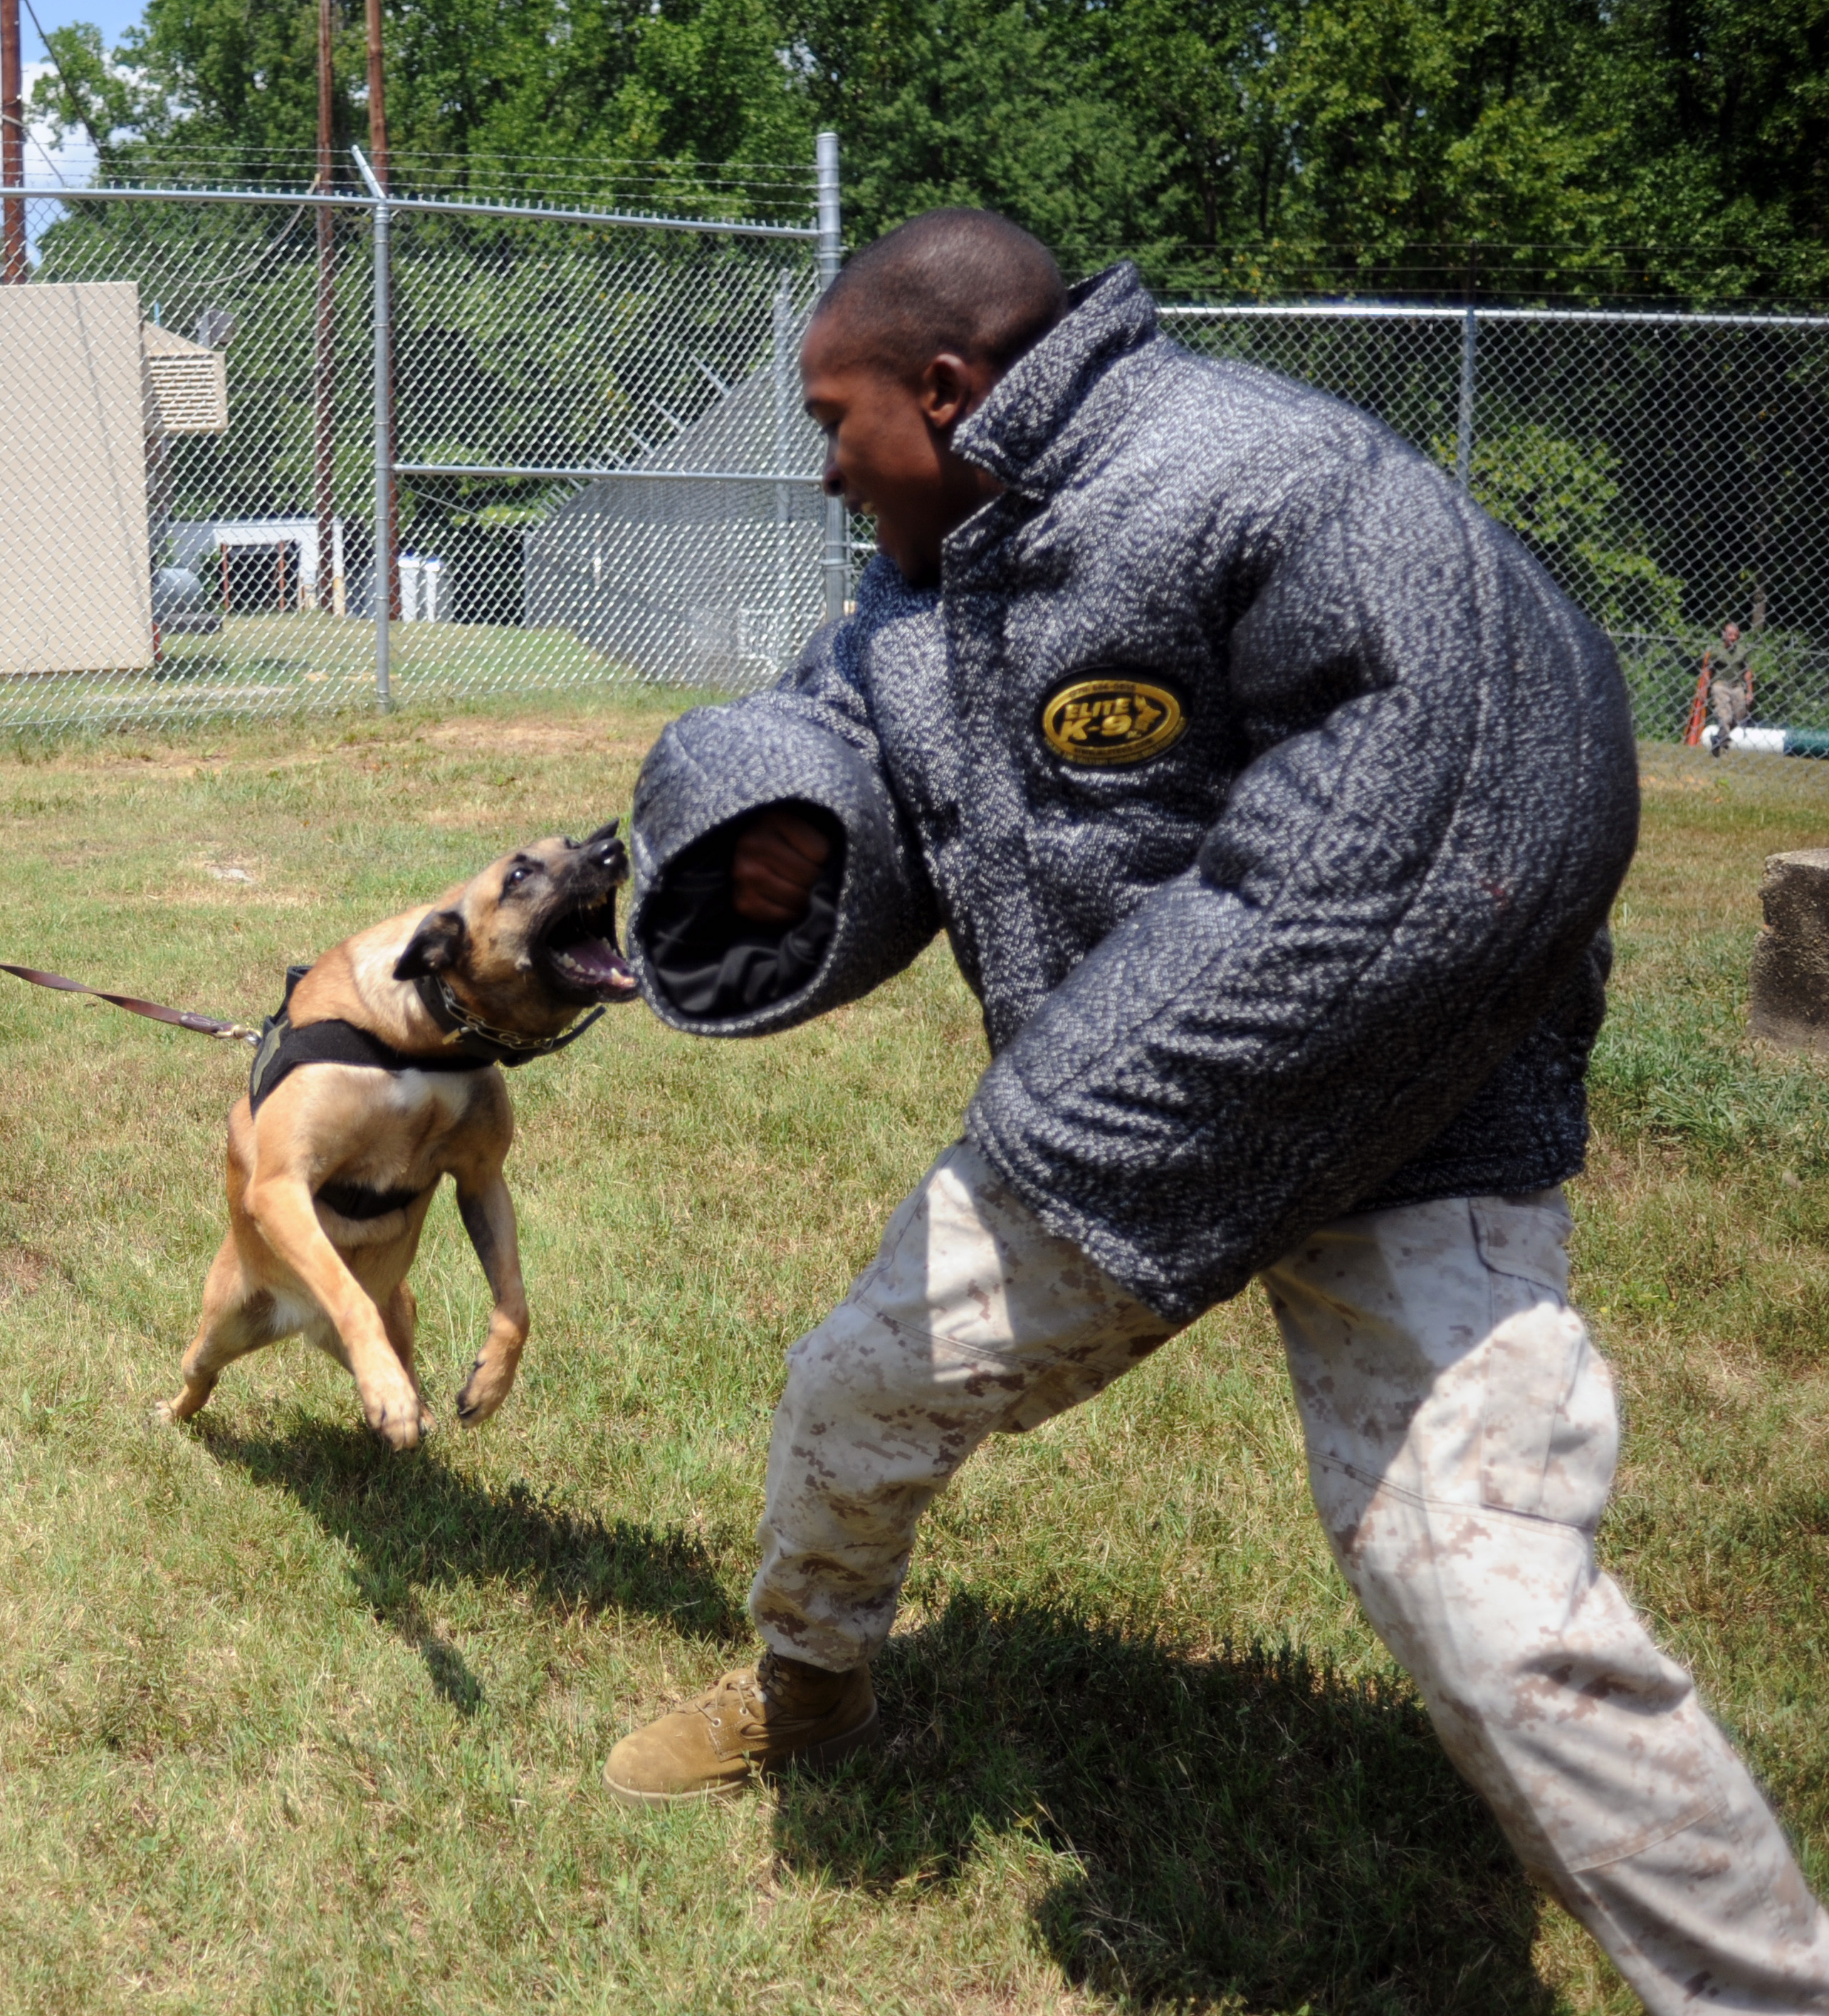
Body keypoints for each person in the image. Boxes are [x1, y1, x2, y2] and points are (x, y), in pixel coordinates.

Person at [605, 210, 1829, 2009]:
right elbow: (847, 719)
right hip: (1112, 1130)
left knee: (1485, 1595)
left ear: (946, 390)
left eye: (832, 417)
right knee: (855, 1385)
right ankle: (810, 1682)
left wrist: (1143, 1075)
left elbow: (1501, 754)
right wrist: (788, 824)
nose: (822, 471)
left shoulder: (1282, 480)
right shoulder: (935, 572)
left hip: (1393, 1120)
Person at [1708, 622, 1757, 757]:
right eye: (1730, 634)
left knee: (1739, 717)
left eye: (1736, 635)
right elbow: (1708, 670)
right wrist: (1705, 688)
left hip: (1737, 686)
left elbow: (1747, 671)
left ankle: (1718, 739)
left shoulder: (1742, 650)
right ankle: (1723, 740)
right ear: (1724, 635)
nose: (1733, 637)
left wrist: (1749, 691)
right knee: (1725, 717)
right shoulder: (1717, 651)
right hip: (1720, 686)